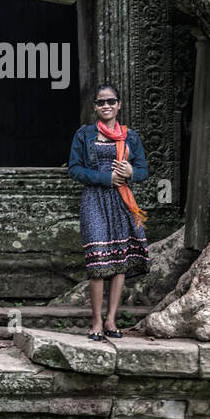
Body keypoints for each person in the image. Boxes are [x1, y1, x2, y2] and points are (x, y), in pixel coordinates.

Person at [67, 83, 150, 341]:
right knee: (97, 261)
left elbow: (144, 171)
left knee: (119, 262)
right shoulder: (84, 135)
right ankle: (96, 321)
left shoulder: (130, 137)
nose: (106, 106)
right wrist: (106, 177)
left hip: (122, 202)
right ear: (95, 107)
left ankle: (112, 319)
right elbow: (74, 169)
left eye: (111, 101)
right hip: (94, 200)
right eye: (101, 102)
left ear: (119, 105)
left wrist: (130, 173)